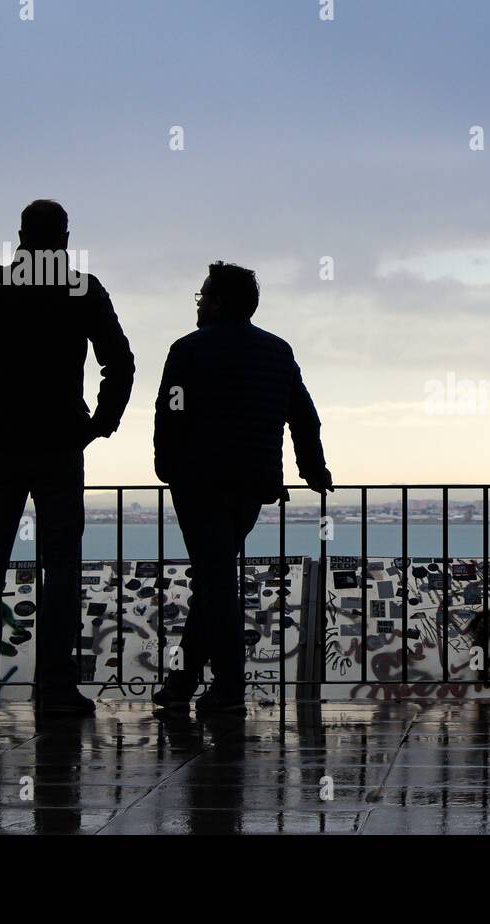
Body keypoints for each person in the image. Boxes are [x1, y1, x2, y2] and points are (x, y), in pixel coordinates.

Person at [0, 199, 135, 715]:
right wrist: (99, 424)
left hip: (1, 444)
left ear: (19, 235)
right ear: (65, 238)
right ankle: (57, 688)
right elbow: (120, 363)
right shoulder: (83, 288)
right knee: (62, 567)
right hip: (62, 445)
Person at [152, 261, 332, 715]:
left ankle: (229, 690)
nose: (198, 304)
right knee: (214, 581)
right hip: (253, 484)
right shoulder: (277, 351)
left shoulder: (188, 350)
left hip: (199, 483)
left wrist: (167, 467)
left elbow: (170, 411)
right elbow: (302, 415)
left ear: (216, 302)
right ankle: (184, 682)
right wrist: (313, 470)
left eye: (202, 296)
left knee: (215, 582)